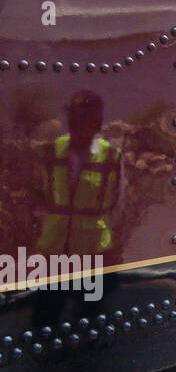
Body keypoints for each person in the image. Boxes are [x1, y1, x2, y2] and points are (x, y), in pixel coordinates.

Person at [36, 90, 122, 259]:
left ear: (96, 121)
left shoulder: (111, 156)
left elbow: (119, 201)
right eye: (75, 116)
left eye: (85, 117)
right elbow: (37, 194)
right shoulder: (51, 151)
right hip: (53, 248)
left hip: (95, 249)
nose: (78, 122)